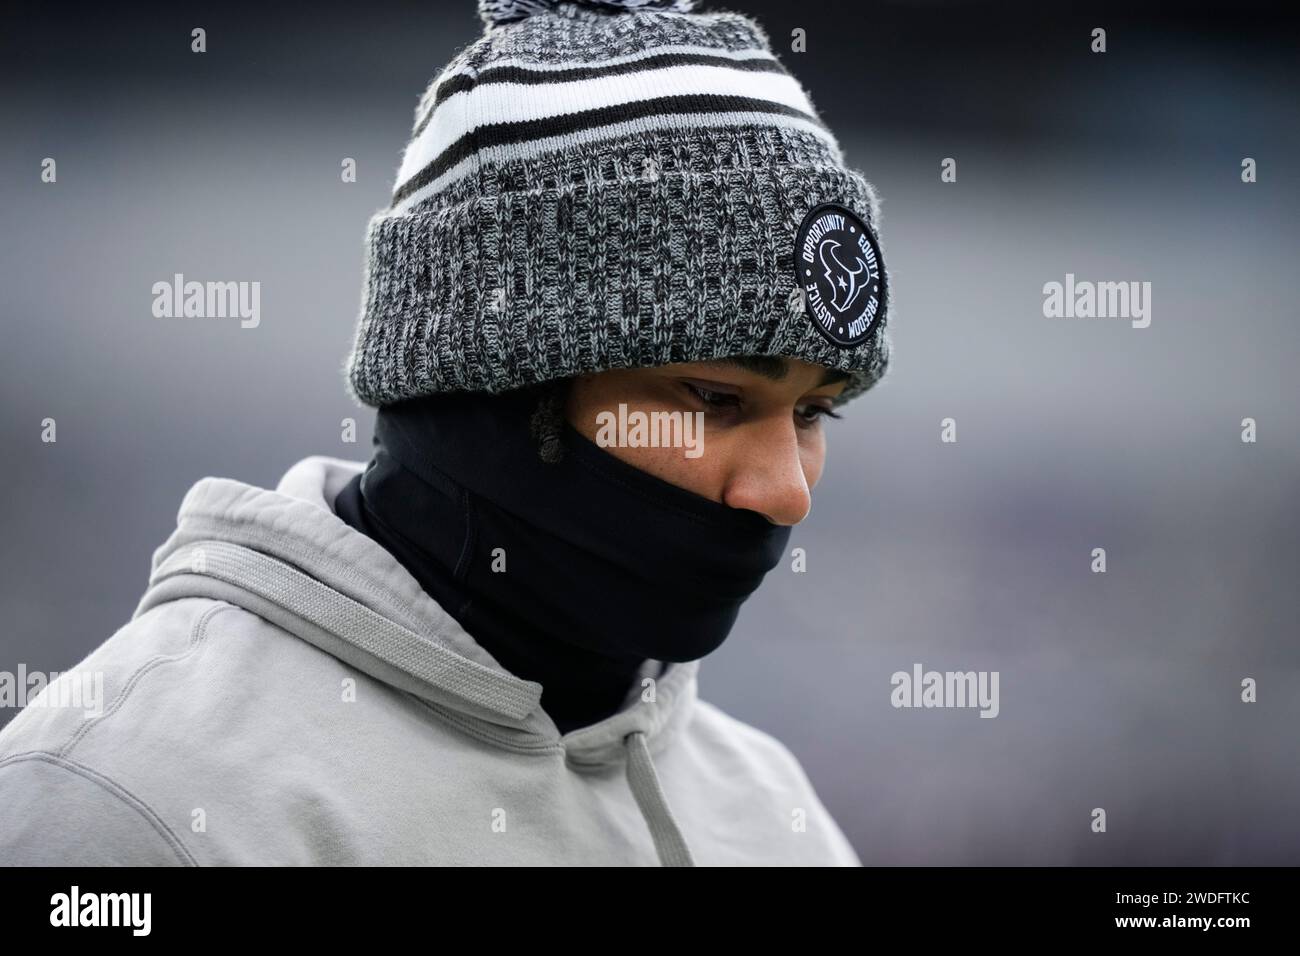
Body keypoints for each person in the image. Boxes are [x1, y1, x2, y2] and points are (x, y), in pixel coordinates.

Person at [0, 0, 891, 866]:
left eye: (815, 412)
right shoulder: (132, 803)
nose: (786, 492)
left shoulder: (772, 817)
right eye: (712, 397)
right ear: (488, 380)